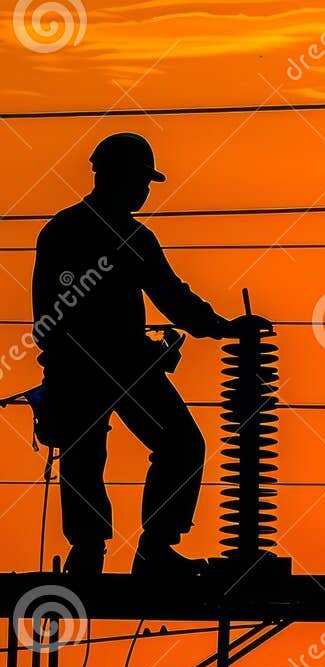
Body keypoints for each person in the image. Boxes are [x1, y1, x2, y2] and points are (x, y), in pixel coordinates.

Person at [32, 133, 267, 578]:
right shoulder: (84, 233)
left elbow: (171, 295)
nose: (146, 191)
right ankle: (125, 551)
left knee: (160, 446)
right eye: (143, 181)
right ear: (120, 178)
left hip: (117, 365)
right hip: (94, 366)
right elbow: (53, 312)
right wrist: (220, 328)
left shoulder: (109, 234)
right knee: (104, 451)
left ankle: (120, 551)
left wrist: (221, 327)